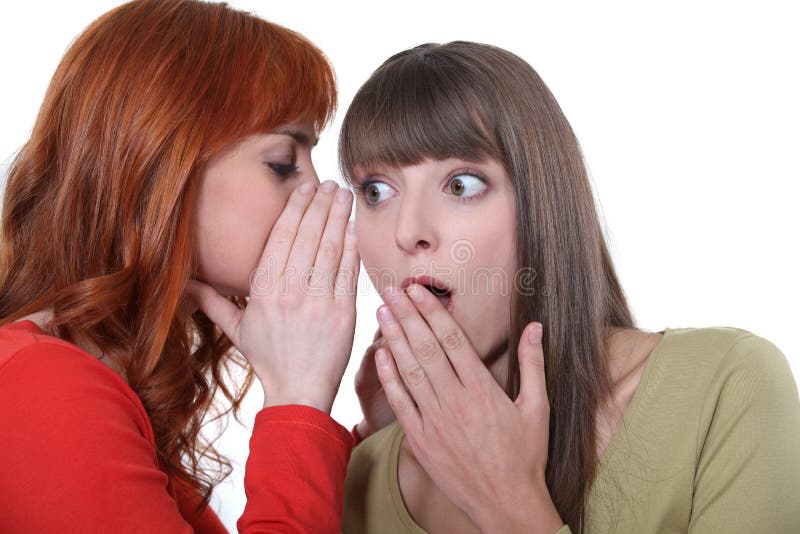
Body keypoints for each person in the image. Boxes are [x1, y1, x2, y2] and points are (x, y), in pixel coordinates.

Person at [340, 41, 800, 533]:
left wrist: (508, 502)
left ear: (543, 204)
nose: (407, 230)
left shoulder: (726, 385)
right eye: (376, 192)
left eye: (460, 185)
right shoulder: (365, 474)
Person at [0, 1, 361, 532]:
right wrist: (299, 398)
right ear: (159, 165)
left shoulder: (95, 385)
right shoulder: (41, 387)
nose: (319, 191)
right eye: (283, 162)